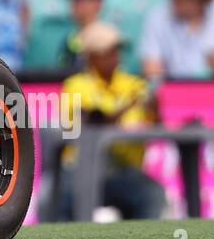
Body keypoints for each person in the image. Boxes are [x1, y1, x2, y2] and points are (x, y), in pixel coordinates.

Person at [61, 20, 167, 220]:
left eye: (116, 51)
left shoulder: (133, 83)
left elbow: (155, 124)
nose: (114, 57)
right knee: (66, 198)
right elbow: (93, 121)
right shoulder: (75, 86)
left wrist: (156, 107)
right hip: (82, 169)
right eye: (107, 52)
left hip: (122, 171)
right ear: (91, 57)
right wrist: (129, 105)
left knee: (152, 194)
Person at [138, 0, 214, 80]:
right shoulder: (158, 17)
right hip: (172, 89)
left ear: (199, 0)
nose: (174, 0)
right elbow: (151, 66)